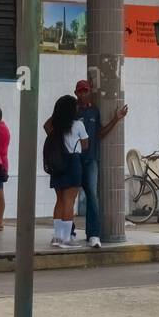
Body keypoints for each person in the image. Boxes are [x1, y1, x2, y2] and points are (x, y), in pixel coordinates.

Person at [71, 79, 127, 248]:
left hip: (90, 160)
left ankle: (93, 234)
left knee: (92, 196)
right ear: (76, 93)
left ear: (90, 92)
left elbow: (99, 134)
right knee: (69, 196)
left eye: (85, 91)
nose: (83, 94)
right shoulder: (71, 111)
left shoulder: (94, 111)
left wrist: (115, 120)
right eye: (80, 91)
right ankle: (68, 231)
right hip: (73, 159)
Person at [44, 94, 87, 248]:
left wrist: (58, 114)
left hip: (57, 162)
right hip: (73, 163)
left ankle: (57, 237)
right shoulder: (78, 125)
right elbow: (85, 145)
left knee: (60, 201)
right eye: (74, 106)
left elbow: (45, 126)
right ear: (71, 109)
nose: (77, 108)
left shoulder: (54, 125)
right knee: (70, 201)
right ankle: (67, 238)